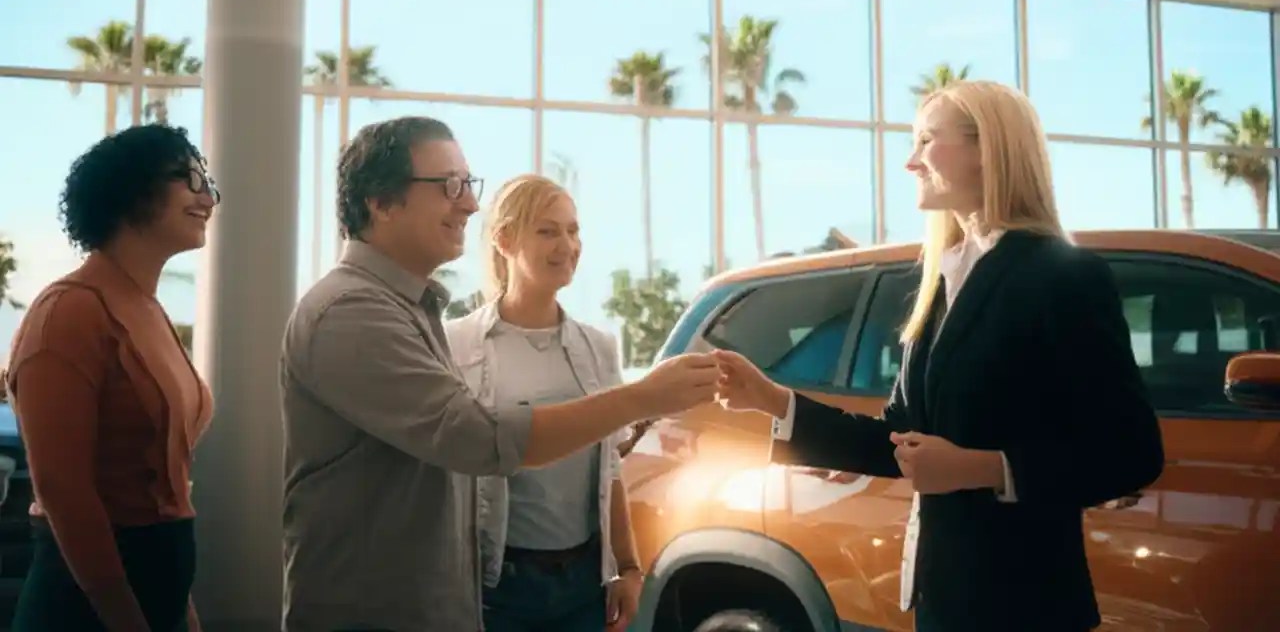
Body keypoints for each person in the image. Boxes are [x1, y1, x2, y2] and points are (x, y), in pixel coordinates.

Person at [715, 81, 1165, 632]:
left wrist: (984, 468)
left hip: (1027, 609)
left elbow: (1131, 451)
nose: (910, 162)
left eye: (927, 140)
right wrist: (772, 400)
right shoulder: (941, 281)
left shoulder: (1063, 276)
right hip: (942, 601)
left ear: (988, 150)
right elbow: (902, 441)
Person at [280, 116, 721, 631]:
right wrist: (641, 398)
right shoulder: (353, 313)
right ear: (379, 201)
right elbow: (478, 439)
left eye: (468, 186)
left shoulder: (408, 311)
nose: (468, 203)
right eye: (450, 186)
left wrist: (624, 564)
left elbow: (605, 471)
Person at [4, 125, 218, 632]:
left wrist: (179, 607)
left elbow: (166, 492)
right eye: (190, 178)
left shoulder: (147, 309)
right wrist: (127, 619)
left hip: (153, 587)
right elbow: (64, 490)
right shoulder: (71, 311)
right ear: (132, 189)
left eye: (210, 183)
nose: (208, 197)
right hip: (85, 604)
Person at [444, 174, 643, 632]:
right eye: (548, 231)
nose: (567, 245)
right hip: (496, 590)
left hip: (582, 586)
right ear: (504, 239)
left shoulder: (598, 347)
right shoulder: (457, 345)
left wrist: (628, 568)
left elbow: (609, 465)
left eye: (573, 230)